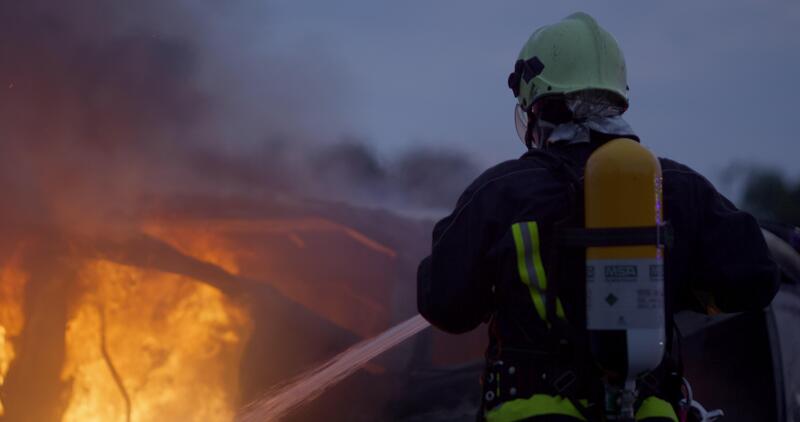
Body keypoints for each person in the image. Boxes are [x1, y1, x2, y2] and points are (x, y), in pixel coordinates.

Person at [416, 12, 779, 422]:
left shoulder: (504, 192)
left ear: (538, 108)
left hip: (530, 412)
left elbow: (443, 304)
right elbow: (755, 277)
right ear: (616, 100)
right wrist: (668, 285)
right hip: (650, 411)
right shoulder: (677, 187)